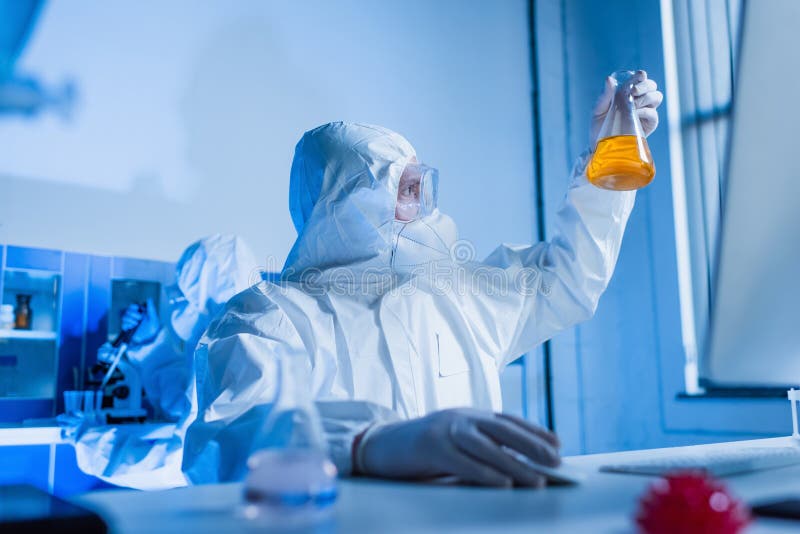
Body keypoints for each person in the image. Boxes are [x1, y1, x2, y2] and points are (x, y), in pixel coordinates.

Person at [183, 72, 663, 487]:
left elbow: (570, 278)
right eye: (406, 189)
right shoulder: (270, 316)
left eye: (419, 187)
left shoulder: (458, 296)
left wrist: (606, 161)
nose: (423, 207)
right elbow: (229, 437)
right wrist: (363, 443)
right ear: (344, 205)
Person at [71, 234, 260, 489]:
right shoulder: (227, 336)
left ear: (207, 290)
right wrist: (150, 340)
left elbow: (181, 462)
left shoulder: (231, 347)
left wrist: (93, 443)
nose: (171, 295)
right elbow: (181, 401)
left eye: (183, 287)